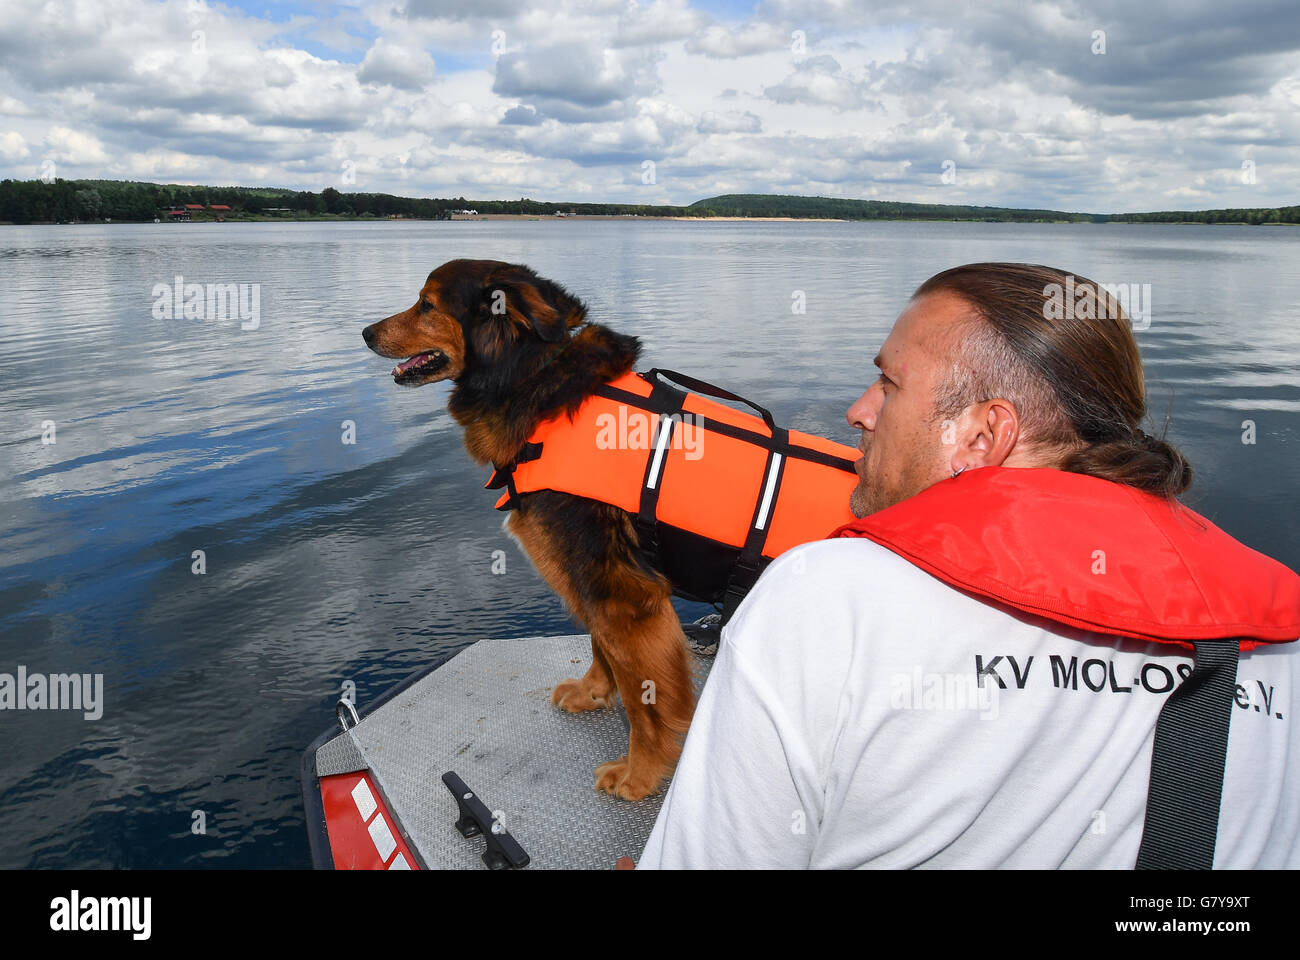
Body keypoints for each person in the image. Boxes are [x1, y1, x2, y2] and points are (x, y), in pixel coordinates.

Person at [636, 262, 1300, 869]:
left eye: (888, 384)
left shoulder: (827, 602)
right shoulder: (1280, 638)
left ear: (982, 436)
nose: (859, 411)